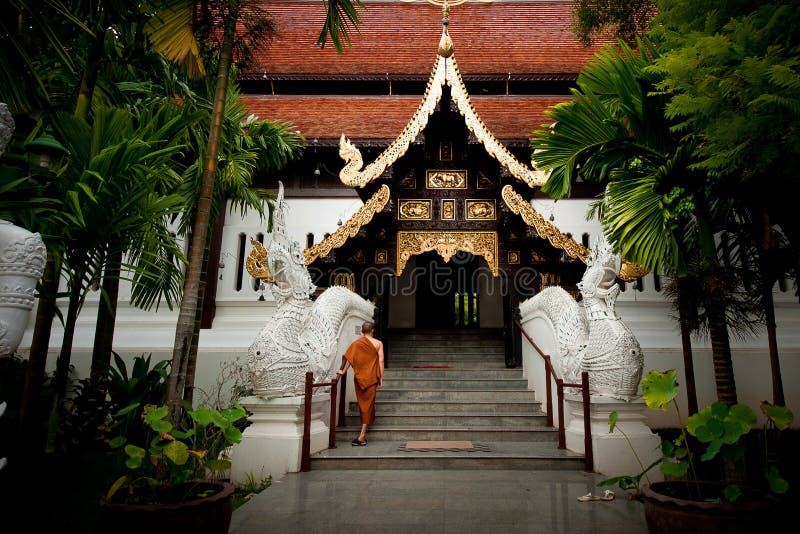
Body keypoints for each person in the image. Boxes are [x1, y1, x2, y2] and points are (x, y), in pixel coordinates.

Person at [337, 321, 384, 446]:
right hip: (372, 378)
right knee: (367, 405)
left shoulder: (356, 344)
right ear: (372, 330)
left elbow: (349, 359)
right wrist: (381, 378)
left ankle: (363, 433)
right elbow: (381, 361)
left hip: (360, 378)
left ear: (362, 331)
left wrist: (343, 371)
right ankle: (362, 436)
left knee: (365, 405)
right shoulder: (378, 343)